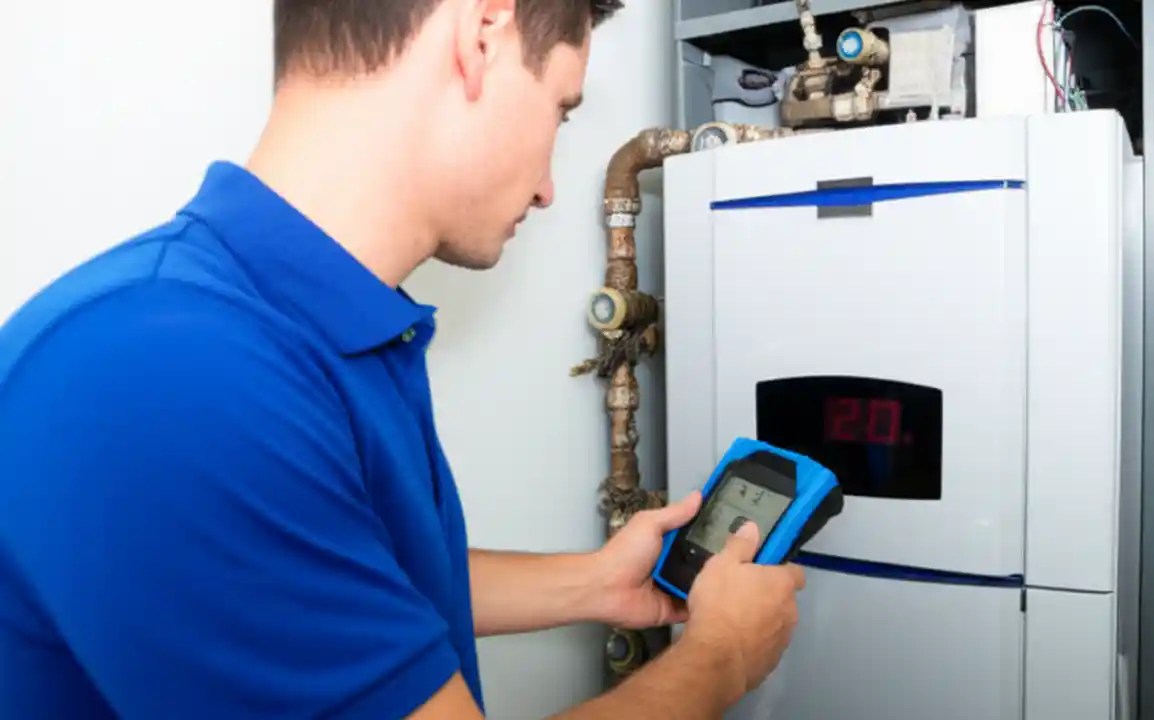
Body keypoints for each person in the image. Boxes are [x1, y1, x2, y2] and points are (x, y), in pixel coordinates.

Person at [0, 1, 807, 718]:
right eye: (561, 110)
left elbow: (339, 582)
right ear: (483, 32)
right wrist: (721, 657)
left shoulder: (305, 332)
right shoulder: (172, 375)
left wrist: (594, 581)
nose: (548, 189)